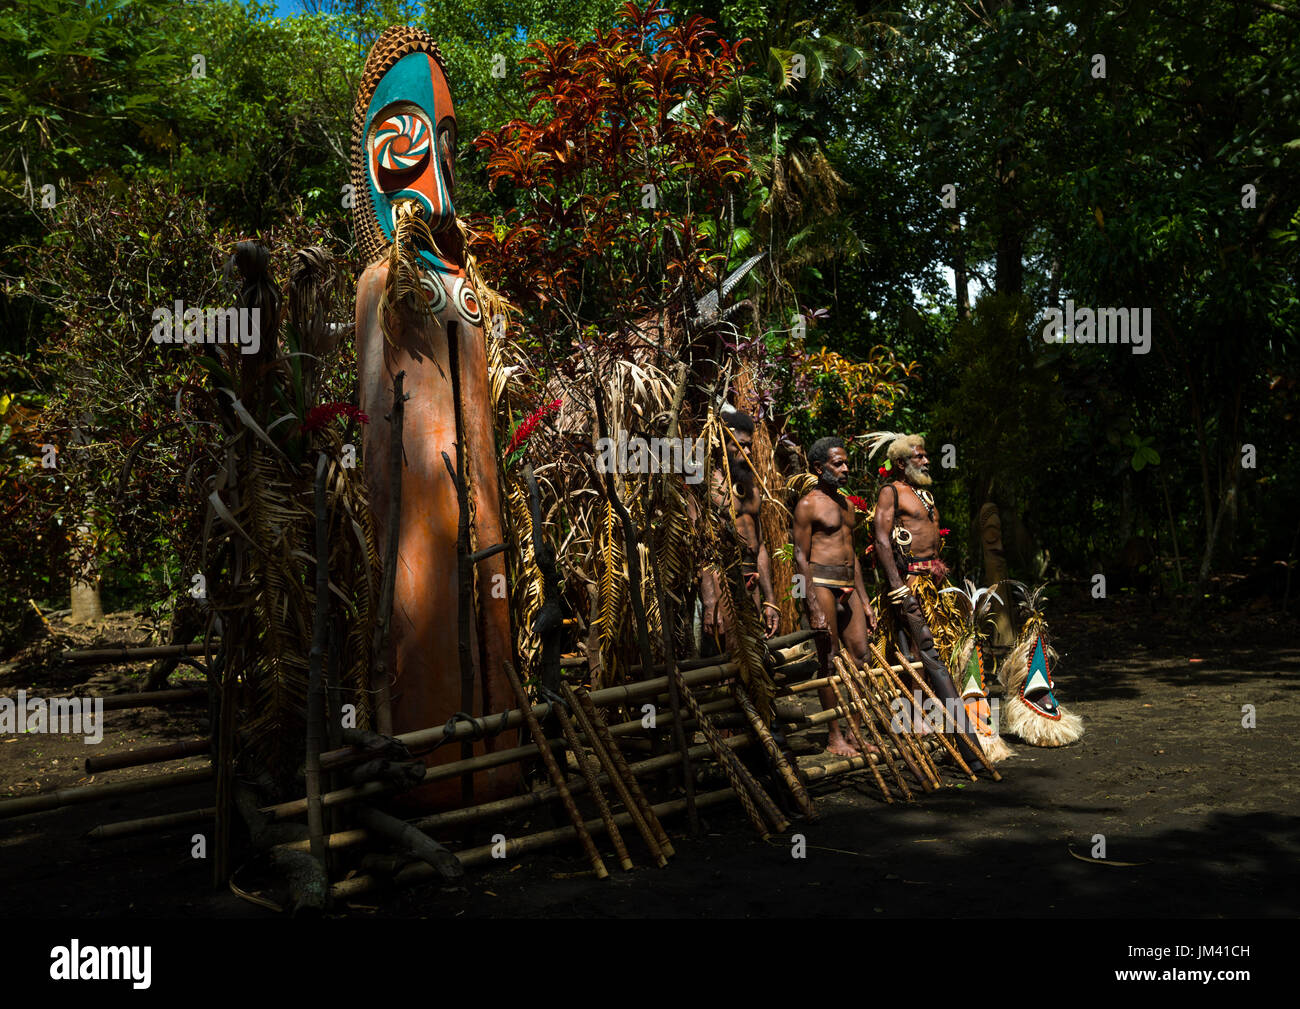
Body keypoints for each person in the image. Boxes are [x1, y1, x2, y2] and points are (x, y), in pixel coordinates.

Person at [866, 431, 1010, 765]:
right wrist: (897, 588)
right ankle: (963, 748)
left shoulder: (923, 494)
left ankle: (933, 730)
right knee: (919, 656)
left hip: (932, 585)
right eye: (919, 456)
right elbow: (881, 540)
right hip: (909, 585)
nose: (927, 460)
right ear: (901, 463)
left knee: (933, 655)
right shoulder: (891, 492)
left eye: (926, 455)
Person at [791, 436, 877, 757]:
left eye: (845, 462)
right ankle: (834, 735)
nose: (845, 468)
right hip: (821, 584)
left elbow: (852, 557)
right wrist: (811, 603)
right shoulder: (808, 505)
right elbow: (800, 556)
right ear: (818, 468)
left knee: (861, 657)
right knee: (829, 659)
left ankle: (855, 732)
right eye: (837, 463)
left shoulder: (848, 505)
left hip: (849, 587)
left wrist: (866, 603)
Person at [700, 410, 781, 653]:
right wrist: (710, 601)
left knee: (756, 651)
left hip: (751, 580)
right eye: (739, 446)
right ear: (721, 444)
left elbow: (761, 548)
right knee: (731, 653)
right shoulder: (706, 485)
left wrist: (770, 601)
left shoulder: (751, 488)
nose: (746, 453)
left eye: (748, 446)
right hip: (722, 578)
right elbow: (703, 548)